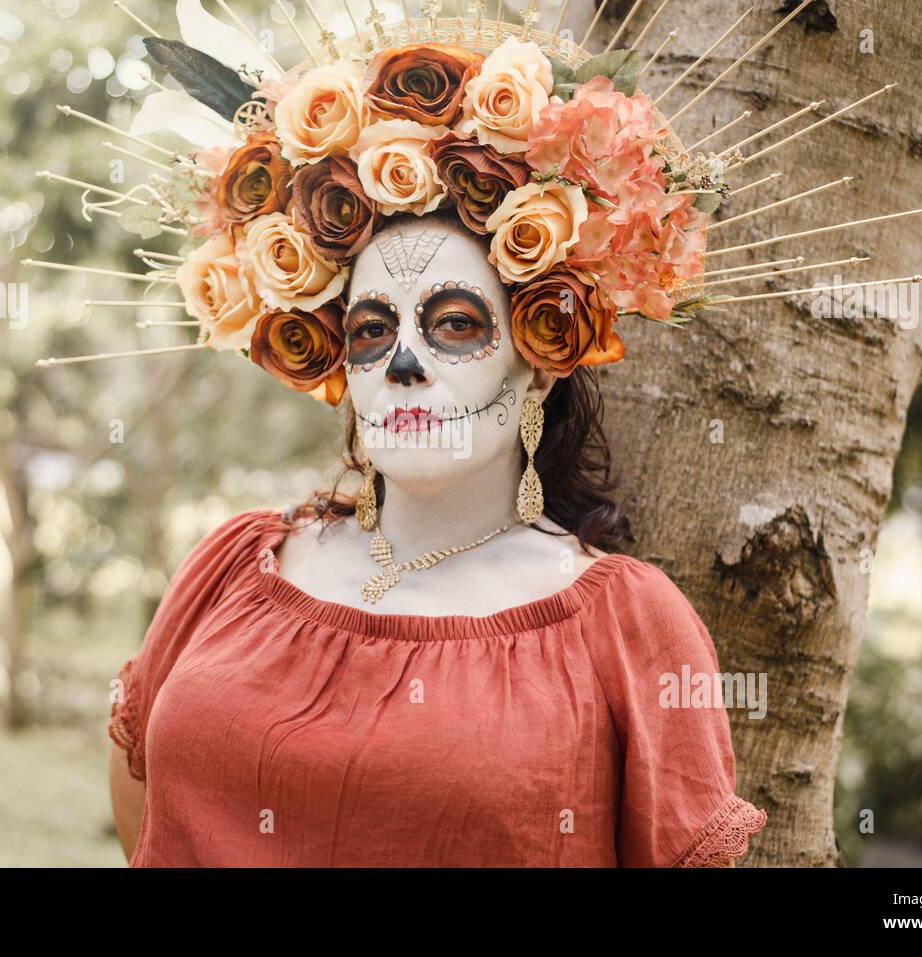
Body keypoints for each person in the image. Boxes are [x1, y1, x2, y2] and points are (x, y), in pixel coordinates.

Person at [106, 208, 767, 866]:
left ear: (537, 366)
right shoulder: (234, 563)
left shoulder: (627, 622)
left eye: (454, 323)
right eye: (371, 329)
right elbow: (143, 808)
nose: (402, 364)